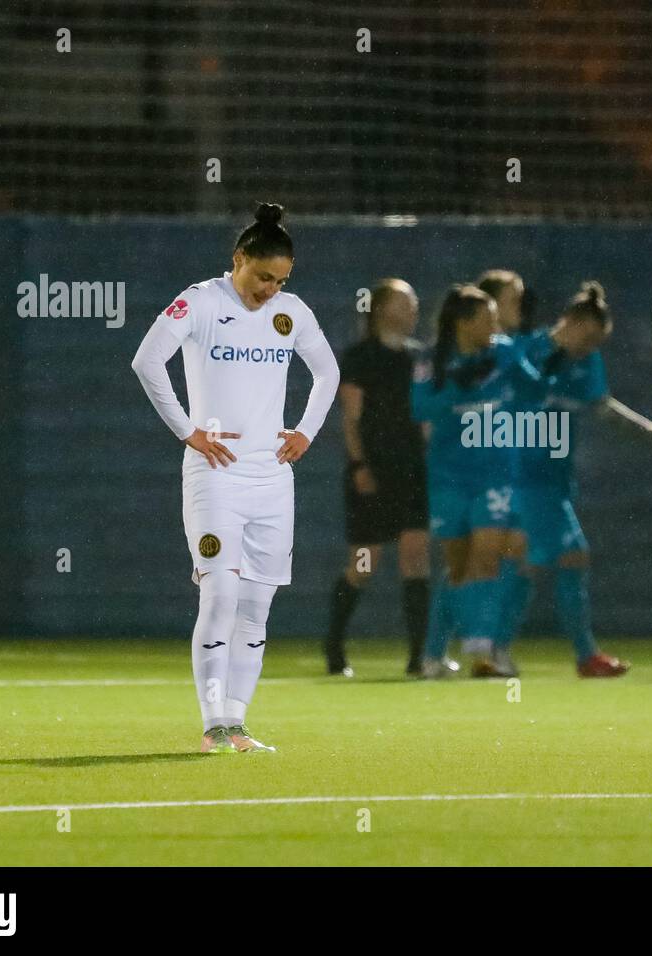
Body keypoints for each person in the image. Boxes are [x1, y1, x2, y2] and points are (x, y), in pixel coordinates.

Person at [131, 202, 339, 752]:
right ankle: (211, 724)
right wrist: (188, 431)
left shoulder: (292, 313)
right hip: (215, 475)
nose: (270, 289)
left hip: (272, 480)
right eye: (262, 276)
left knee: (257, 606)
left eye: (280, 280)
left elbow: (328, 372)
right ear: (238, 259)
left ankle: (237, 723)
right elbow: (147, 361)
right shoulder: (199, 302)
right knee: (221, 591)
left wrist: (305, 433)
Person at [504, 281, 652, 677]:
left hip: (554, 477)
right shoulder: (528, 349)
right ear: (573, 321)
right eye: (591, 337)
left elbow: (602, 406)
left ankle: (498, 650)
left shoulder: (587, 362)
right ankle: (570, 654)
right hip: (522, 474)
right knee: (554, 557)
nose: (592, 347)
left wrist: (647, 428)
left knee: (539, 560)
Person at [411, 285, 552, 678]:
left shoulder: (503, 351)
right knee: (457, 567)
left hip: (495, 471)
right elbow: (420, 407)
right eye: (487, 318)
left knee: (489, 553)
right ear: (464, 322)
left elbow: (537, 389)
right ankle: (434, 655)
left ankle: (481, 646)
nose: (495, 325)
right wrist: (460, 383)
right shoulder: (432, 358)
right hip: (448, 473)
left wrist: (525, 360)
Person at [323, 278, 445, 677]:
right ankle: (335, 645)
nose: (413, 310)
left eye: (413, 303)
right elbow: (351, 417)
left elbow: (426, 414)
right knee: (364, 561)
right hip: (372, 473)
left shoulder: (418, 358)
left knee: (415, 555)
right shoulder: (360, 357)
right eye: (404, 303)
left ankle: (418, 655)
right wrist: (359, 466)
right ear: (381, 310)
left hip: (411, 471)